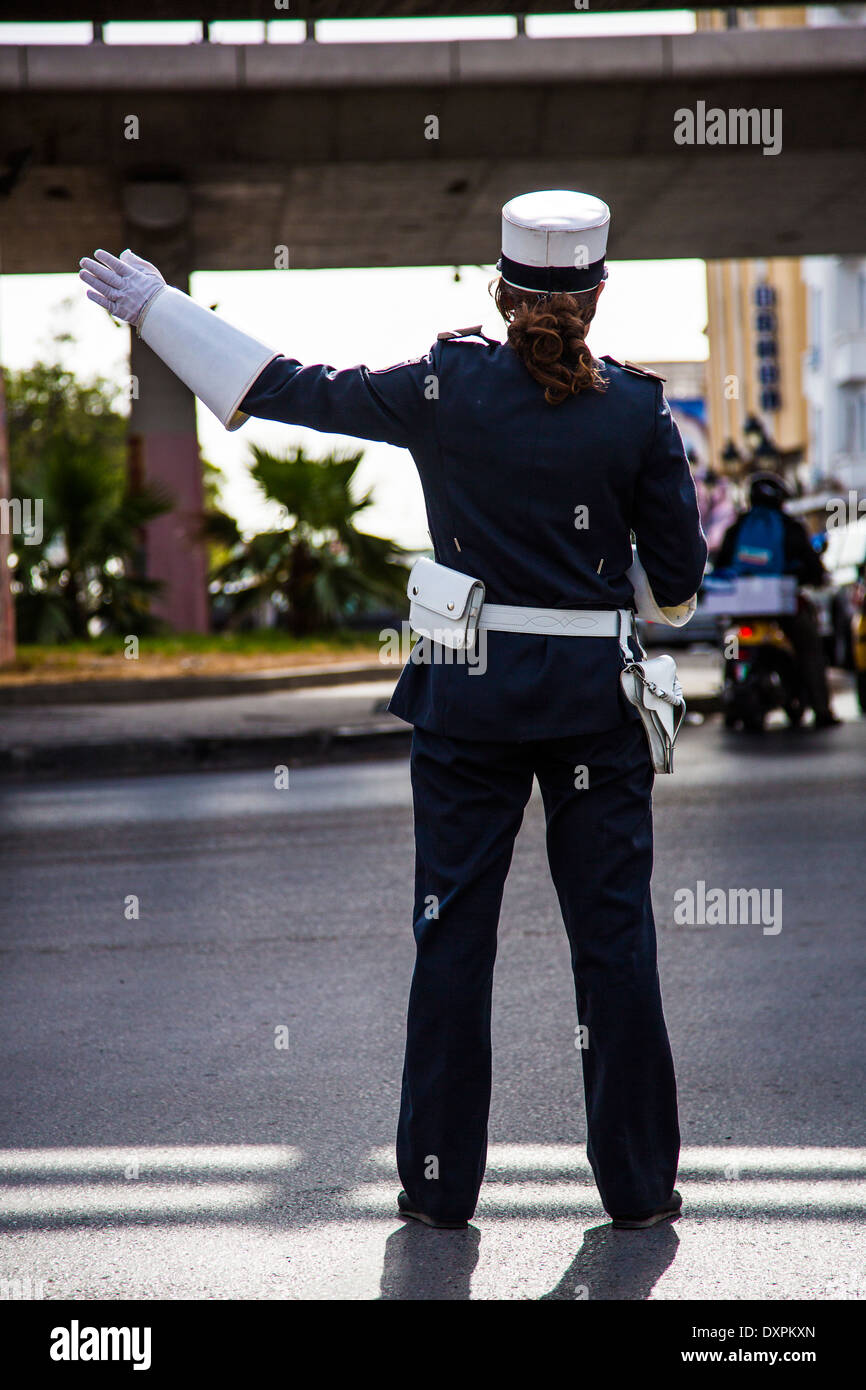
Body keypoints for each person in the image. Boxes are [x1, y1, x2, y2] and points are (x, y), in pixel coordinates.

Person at [79, 188, 707, 1230]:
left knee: (450, 940)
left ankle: (435, 1185)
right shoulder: (636, 411)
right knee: (614, 944)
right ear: (595, 295)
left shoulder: (441, 382)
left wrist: (158, 309)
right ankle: (637, 1189)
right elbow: (677, 589)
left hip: (465, 706)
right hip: (593, 710)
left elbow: (290, 388)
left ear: (499, 293)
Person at [714, 472, 839, 728]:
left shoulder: (737, 528)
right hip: (783, 609)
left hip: (743, 609)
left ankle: (729, 702)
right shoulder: (791, 527)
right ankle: (821, 708)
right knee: (810, 647)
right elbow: (813, 568)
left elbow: (721, 566)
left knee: (730, 647)